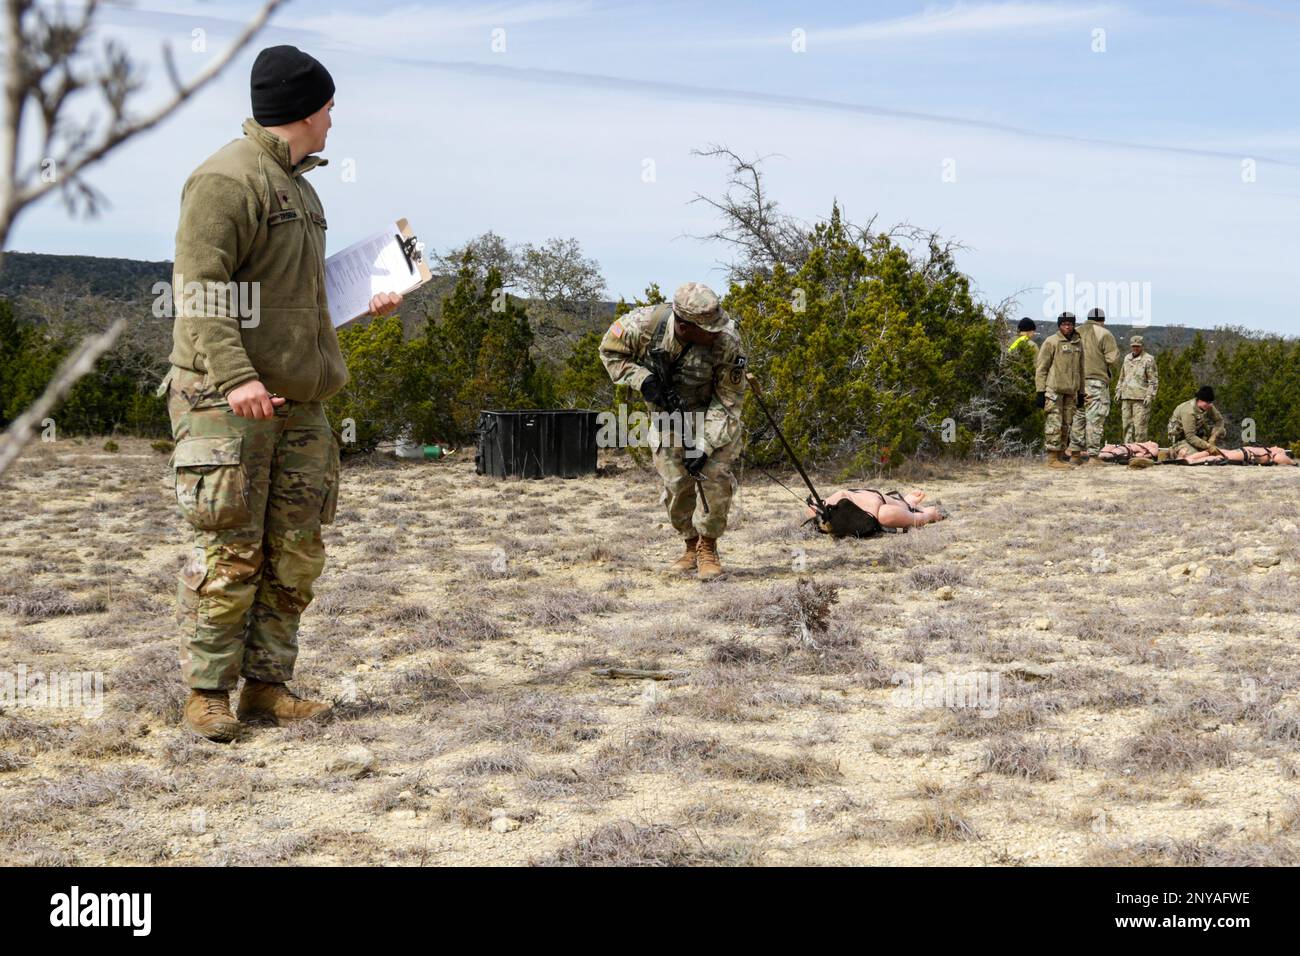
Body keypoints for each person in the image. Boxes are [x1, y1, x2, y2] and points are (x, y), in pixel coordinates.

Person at [164, 46, 402, 742]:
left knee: (295, 551)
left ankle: (267, 688)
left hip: (298, 404)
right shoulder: (225, 180)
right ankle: (207, 694)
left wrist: (363, 300)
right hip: (227, 402)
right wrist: (237, 377)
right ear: (305, 110)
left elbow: (292, 294)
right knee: (233, 554)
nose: (334, 120)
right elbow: (201, 291)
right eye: (329, 107)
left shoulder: (299, 185)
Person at [599, 283, 747, 581]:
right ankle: (690, 545)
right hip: (667, 417)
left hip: (712, 415)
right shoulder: (642, 324)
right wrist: (642, 379)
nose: (715, 332)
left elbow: (729, 402)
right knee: (677, 483)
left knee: (713, 479)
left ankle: (708, 546)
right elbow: (609, 353)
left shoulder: (727, 340)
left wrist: (704, 445)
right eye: (707, 328)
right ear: (683, 325)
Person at [1069, 307, 1121, 464]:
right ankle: (1093, 456)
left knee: (1078, 417)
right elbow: (1112, 358)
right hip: (1095, 381)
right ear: (1102, 321)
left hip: (1075, 381)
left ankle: (1075, 455)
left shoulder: (1075, 332)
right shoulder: (1104, 333)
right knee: (1095, 419)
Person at [1034, 312, 1085, 469]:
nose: (1067, 327)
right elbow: (1041, 368)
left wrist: (1081, 392)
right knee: (1054, 424)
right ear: (1059, 325)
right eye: (1064, 324)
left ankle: (1061, 455)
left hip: (1071, 391)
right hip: (1054, 390)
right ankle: (1052, 458)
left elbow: (1081, 369)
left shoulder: (1078, 343)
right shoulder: (1052, 342)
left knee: (1066, 425)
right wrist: (1040, 392)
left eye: (1070, 324)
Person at [806, 490, 947, 529]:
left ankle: (916, 507)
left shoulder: (879, 512)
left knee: (888, 514)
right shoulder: (825, 509)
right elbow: (810, 511)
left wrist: (927, 516)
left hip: (874, 503)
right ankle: (909, 502)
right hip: (857, 498)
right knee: (887, 513)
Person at [1116, 334, 1158, 442]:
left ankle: (1140, 452)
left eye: (1137, 346)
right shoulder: (1127, 358)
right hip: (1126, 396)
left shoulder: (1148, 359)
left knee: (1140, 428)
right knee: (1126, 426)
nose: (1135, 348)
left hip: (1140, 398)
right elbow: (1122, 376)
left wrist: (1150, 395)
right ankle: (1127, 449)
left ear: (1142, 346)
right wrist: (1118, 390)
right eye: (1133, 346)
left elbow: (1153, 381)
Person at [1167, 386, 1227, 459]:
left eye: (1211, 402)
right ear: (1199, 400)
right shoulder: (1188, 411)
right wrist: (1208, 446)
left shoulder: (1208, 406)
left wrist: (1214, 436)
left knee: (1222, 431)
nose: (1210, 405)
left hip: (1197, 435)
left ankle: (1201, 448)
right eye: (1207, 402)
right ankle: (1177, 450)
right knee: (1196, 456)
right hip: (1182, 438)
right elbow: (1189, 436)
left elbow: (1219, 420)